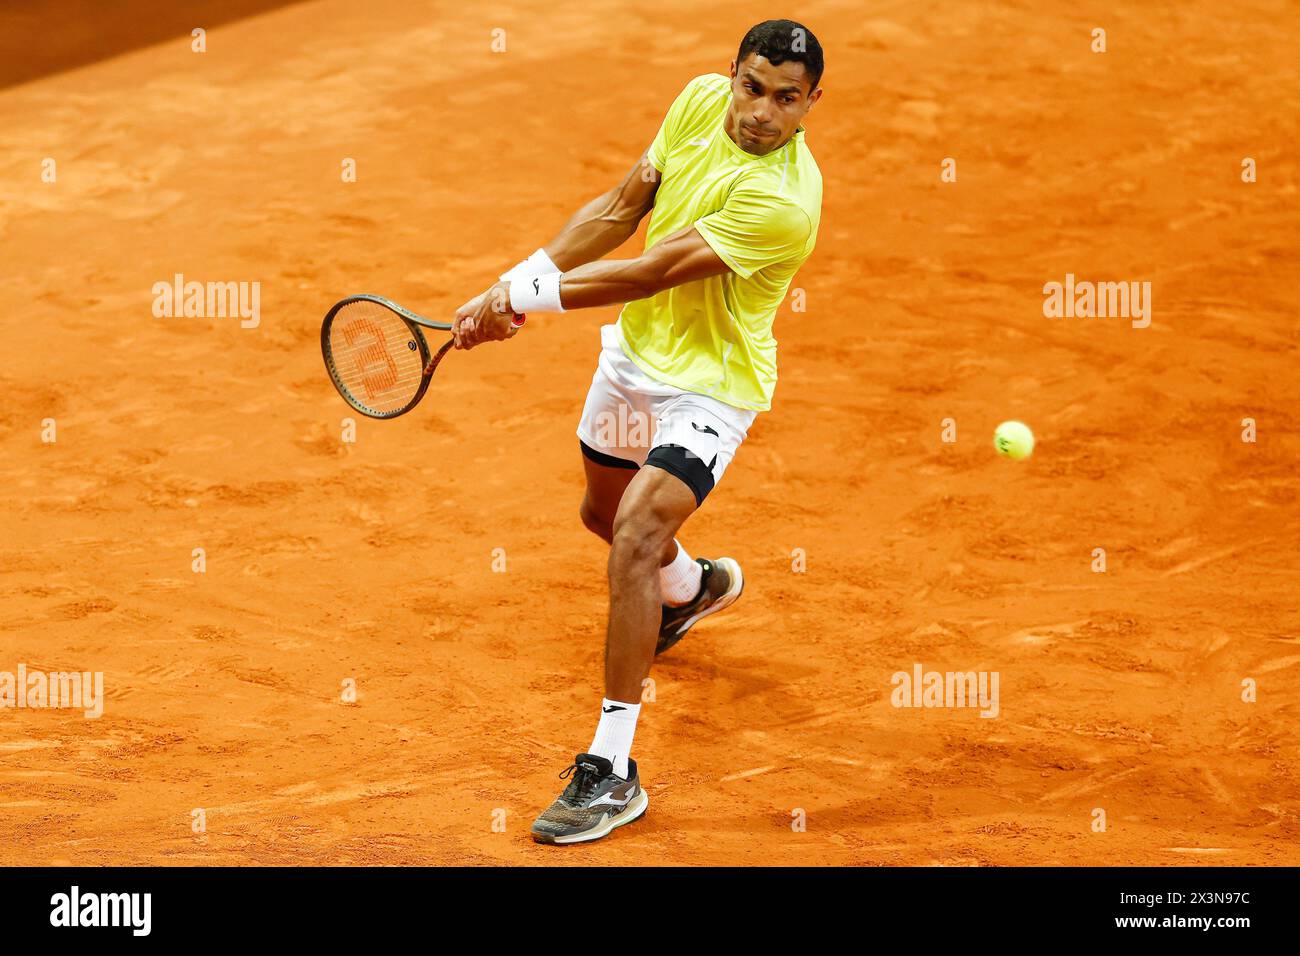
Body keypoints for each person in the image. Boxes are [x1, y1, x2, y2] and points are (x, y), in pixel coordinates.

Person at [451, 19, 824, 845]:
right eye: (753, 87)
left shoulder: (783, 203)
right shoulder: (697, 102)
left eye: (786, 99)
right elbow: (624, 209)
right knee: (603, 518)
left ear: (811, 105)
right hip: (635, 358)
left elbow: (653, 267)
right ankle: (691, 588)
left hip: (712, 385)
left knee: (634, 533)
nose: (762, 112)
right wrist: (515, 280)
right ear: (732, 75)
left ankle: (612, 769)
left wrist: (521, 305)